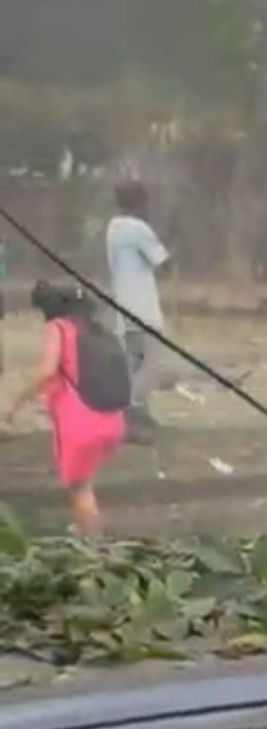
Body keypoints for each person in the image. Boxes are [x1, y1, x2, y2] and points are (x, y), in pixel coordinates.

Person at [6, 282, 126, 535]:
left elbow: (48, 370)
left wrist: (15, 401)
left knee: (79, 488)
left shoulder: (58, 327)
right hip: (112, 420)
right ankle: (91, 532)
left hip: (80, 421)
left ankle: (95, 547)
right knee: (87, 483)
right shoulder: (101, 330)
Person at [106, 180, 170, 436]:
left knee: (133, 362)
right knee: (149, 361)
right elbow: (163, 263)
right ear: (141, 202)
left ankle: (136, 413)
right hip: (142, 306)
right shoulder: (139, 228)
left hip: (123, 303)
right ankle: (133, 414)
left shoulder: (113, 227)